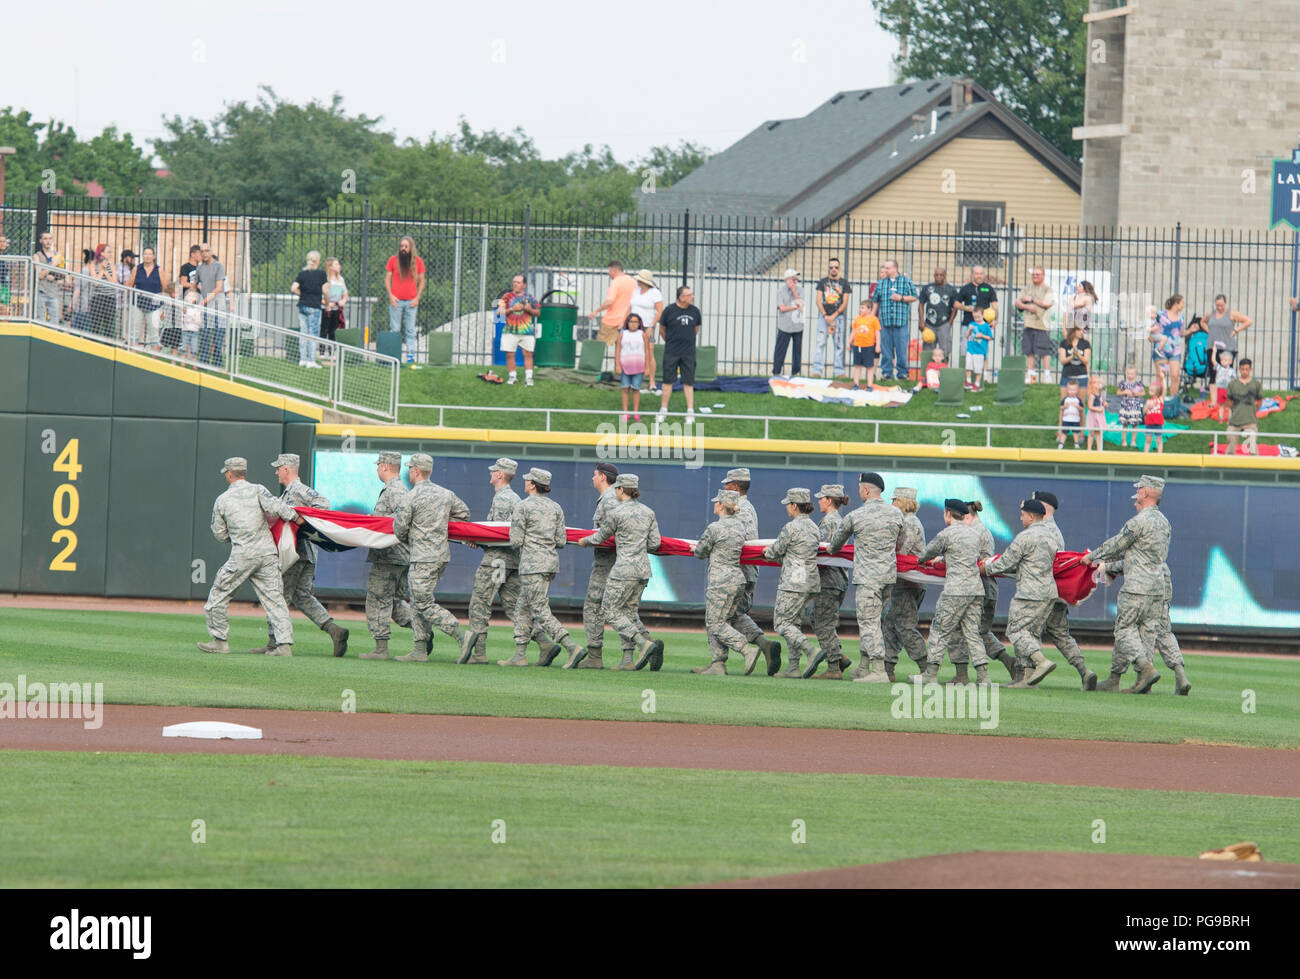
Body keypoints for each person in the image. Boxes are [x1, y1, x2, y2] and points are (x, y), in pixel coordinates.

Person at [246, 453, 350, 658]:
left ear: (286, 469)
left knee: (278, 596)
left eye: (278, 468)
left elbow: (324, 505)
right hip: (306, 553)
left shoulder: (299, 490)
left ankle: (274, 643)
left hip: (296, 553)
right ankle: (333, 630)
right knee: (302, 596)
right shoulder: (288, 493)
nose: (276, 471)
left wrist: (303, 519)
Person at [196, 457, 302, 656]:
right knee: (275, 599)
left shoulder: (223, 500)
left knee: (218, 596)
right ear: (244, 472)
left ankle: (220, 641)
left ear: (229, 474)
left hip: (243, 554)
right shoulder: (258, 489)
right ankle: (284, 645)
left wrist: (234, 537)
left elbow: (219, 534)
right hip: (267, 553)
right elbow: (278, 508)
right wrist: (296, 518)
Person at [461, 457, 558, 666]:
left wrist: (476, 539)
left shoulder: (504, 499)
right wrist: (478, 541)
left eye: (493, 471)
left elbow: (502, 535)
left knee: (480, 603)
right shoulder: (514, 498)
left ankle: (479, 653)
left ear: (499, 474)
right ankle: (544, 642)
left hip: (497, 560)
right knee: (515, 606)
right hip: (513, 562)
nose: (490, 474)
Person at [1081, 475, 1172, 693]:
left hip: (1137, 586)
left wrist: (1091, 556)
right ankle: (1142, 682)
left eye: (1140, 489)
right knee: (1147, 634)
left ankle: (1145, 668)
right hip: (1157, 587)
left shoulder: (1139, 522)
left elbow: (1116, 544)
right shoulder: (1165, 522)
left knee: (1124, 629)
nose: (1137, 492)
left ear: (1145, 493)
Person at [576, 473, 664, 671]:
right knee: (629, 613)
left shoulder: (617, 513)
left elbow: (600, 537)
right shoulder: (648, 512)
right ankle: (627, 660)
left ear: (621, 490)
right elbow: (655, 543)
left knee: (609, 610)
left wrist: (584, 541)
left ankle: (644, 644)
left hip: (623, 569)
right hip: (643, 570)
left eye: (616, 488)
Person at [828, 471, 904, 683]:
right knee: (874, 622)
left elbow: (835, 546)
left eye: (861, 488)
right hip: (888, 576)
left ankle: (878, 670)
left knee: (868, 623)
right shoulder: (896, 515)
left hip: (868, 578)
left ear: (867, 490)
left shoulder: (856, 516)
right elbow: (900, 544)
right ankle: (864, 666)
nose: (859, 491)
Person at [396, 453, 474, 662]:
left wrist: (413, 537)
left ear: (415, 471)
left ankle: (461, 635)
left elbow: (399, 529)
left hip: (422, 556)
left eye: (410, 469)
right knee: (418, 600)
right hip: (440, 555)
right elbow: (464, 513)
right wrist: (441, 524)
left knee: (422, 603)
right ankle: (419, 649)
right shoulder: (445, 494)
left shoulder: (410, 496)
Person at [503, 468, 583, 667]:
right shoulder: (556, 507)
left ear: (532, 484)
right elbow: (561, 540)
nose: (525, 483)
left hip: (531, 565)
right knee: (522, 608)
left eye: (527, 480)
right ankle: (519, 655)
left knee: (539, 610)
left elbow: (515, 540)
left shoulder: (522, 506)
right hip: (550, 564)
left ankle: (571, 646)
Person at [979, 499, 1059, 688]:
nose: (1020, 518)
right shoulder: (1051, 536)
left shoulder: (1026, 537)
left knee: (1015, 631)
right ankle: (1028, 679)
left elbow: (1007, 561)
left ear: (1031, 516)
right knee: (1032, 633)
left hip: (1029, 592)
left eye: (1022, 514)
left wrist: (986, 569)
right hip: (1048, 591)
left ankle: (1041, 661)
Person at [917, 500, 990, 684]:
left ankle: (930, 674)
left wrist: (923, 560)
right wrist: (942, 559)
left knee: (940, 629)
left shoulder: (947, 534)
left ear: (948, 513)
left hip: (956, 590)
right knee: (972, 633)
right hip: (975, 590)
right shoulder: (974, 534)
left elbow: (926, 554)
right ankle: (983, 676)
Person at [691, 489, 763, 675]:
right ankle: (718, 664)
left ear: (721, 505)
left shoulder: (715, 528)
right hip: (737, 579)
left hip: (720, 581)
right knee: (720, 621)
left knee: (716, 624)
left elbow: (700, 552)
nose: (715, 504)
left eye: (717, 502)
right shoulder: (740, 526)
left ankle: (747, 650)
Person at [720, 468, 779, 670]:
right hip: (747, 570)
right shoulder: (748, 507)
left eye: (727, 484)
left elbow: (742, 540)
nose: (724, 487)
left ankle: (719, 662)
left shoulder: (739, 509)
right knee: (735, 615)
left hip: (738, 571)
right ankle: (764, 644)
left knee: (720, 616)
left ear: (735, 487)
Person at [360, 451, 415, 660]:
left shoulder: (395, 490)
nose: (377, 469)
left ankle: (381, 648)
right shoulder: (395, 489)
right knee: (392, 602)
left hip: (391, 556)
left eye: (378, 466)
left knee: (377, 599)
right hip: (396, 556)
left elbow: (403, 517)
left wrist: (375, 522)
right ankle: (423, 629)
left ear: (384, 466)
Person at [573, 462, 628, 670]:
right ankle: (636, 650)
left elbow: (614, 531)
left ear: (603, 477)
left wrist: (589, 540)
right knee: (619, 608)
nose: (592, 478)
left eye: (595, 475)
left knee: (595, 607)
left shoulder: (610, 499)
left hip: (609, 563)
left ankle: (596, 656)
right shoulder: (612, 497)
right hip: (613, 561)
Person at [762, 488, 821, 678]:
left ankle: (811, 650)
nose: (787, 508)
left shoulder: (791, 527)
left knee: (781, 623)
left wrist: (766, 551)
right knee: (793, 624)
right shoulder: (814, 527)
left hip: (793, 581)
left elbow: (774, 552)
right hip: (810, 580)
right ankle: (793, 667)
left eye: (788, 504)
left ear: (795, 505)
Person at [956, 500, 1017, 681]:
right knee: (980, 631)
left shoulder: (972, 532)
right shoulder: (985, 531)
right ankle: (1007, 661)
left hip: (976, 588)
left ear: (967, 516)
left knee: (962, 629)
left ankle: (963, 675)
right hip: (989, 588)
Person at [802, 484, 852, 679]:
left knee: (822, 623)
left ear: (829, 500)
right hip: (838, 579)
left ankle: (833, 667)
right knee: (818, 618)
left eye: (822, 498)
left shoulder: (828, 522)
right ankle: (839, 657)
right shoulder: (840, 520)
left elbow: (819, 548)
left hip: (829, 580)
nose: (819, 501)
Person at [880, 486, 927, 681]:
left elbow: (902, 552)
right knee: (890, 624)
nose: (892, 504)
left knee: (904, 626)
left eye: (894, 500)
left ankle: (927, 668)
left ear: (903, 502)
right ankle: (888, 668)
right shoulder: (908, 521)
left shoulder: (909, 523)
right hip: (906, 582)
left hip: (909, 583)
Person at [655, 285, 702, 424]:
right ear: (681, 297)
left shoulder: (695, 311)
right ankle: (663, 409)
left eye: (692, 294)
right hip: (672, 351)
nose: (692, 297)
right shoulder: (669, 311)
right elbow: (662, 330)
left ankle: (690, 411)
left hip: (689, 352)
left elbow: (696, 329)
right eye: (689, 295)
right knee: (668, 380)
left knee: (688, 381)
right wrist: (671, 341)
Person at [870, 259, 917, 381]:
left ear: (895, 268)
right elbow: (875, 300)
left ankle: (902, 373)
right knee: (886, 349)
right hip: (885, 321)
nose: (885, 270)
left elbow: (914, 297)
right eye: (885, 268)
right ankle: (887, 373)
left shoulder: (906, 282)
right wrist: (871, 317)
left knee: (901, 349)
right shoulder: (881, 284)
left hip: (900, 321)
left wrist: (901, 298)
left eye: (888, 268)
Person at [385, 236, 425, 366]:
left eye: (406, 246)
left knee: (410, 331)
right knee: (395, 330)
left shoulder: (418, 261)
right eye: (401, 246)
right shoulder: (393, 260)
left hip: (411, 302)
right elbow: (387, 279)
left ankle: (410, 357)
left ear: (411, 248)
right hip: (396, 301)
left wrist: (417, 297)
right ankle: (394, 357)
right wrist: (390, 295)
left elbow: (422, 281)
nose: (403, 248)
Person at [955, 266, 998, 379]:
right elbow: (956, 304)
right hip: (968, 325)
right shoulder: (965, 288)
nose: (979, 276)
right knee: (966, 349)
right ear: (972, 275)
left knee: (983, 350)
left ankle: (983, 375)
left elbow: (995, 306)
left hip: (983, 326)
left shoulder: (988, 288)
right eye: (977, 273)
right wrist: (966, 308)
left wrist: (995, 319)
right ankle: (967, 376)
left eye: (981, 273)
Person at [1015, 266, 1055, 383]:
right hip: (1028, 323)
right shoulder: (1027, 288)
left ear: (1043, 276)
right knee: (1029, 351)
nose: (1035, 276)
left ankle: (1047, 375)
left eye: (1038, 274)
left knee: (1044, 351)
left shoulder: (1047, 289)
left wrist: (1032, 299)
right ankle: (1031, 374)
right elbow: (1018, 302)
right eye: (1033, 274)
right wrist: (1028, 307)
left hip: (1042, 324)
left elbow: (1047, 304)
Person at [498, 273, 539, 386]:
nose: (515, 284)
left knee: (528, 354)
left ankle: (529, 379)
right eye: (514, 282)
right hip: (509, 331)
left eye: (518, 282)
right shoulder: (506, 297)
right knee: (509, 354)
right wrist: (512, 309)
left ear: (524, 285)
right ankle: (512, 377)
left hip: (527, 332)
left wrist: (529, 309)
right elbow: (500, 313)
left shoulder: (530, 298)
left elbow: (538, 313)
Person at [813, 257, 851, 378]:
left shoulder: (844, 283)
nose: (833, 269)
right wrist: (825, 315)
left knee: (839, 345)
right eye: (831, 267)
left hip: (838, 317)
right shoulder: (822, 282)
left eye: (836, 267)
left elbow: (845, 302)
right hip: (823, 317)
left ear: (839, 268)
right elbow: (818, 301)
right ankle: (817, 371)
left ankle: (839, 371)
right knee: (820, 343)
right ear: (828, 268)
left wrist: (834, 316)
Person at [291, 251, 327, 368]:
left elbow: (293, 288)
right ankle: (311, 360)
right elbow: (325, 290)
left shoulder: (302, 274)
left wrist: (302, 295)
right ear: (317, 261)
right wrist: (326, 300)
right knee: (313, 333)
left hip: (302, 305)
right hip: (314, 306)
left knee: (303, 332)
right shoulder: (321, 274)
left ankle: (303, 359)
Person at [588, 260, 636, 346]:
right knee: (621, 348)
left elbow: (609, 302)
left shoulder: (616, 282)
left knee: (600, 346)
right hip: (628, 320)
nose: (609, 274)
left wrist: (596, 311)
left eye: (609, 271)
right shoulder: (633, 282)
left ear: (614, 271)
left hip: (612, 321)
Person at [125, 246, 165, 349]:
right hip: (138, 304)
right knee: (135, 332)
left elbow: (164, 289)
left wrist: (164, 309)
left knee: (154, 334)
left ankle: (154, 359)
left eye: (149, 254)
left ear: (154, 256)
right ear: (142, 256)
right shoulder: (137, 268)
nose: (147, 256)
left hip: (154, 306)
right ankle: (132, 355)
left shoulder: (159, 270)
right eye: (145, 254)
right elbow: (130, 285)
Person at [629, 270, 662, 392]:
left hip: (647, 325)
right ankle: (637, 381)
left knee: (649, 352)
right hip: (632, 326)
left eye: (639, 280)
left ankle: (652, 382)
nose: (637, 281)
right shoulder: (635, 291)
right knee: (634, 353)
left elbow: (659, 311)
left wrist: (651, 326)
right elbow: (630, 307)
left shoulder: (655, 293)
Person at [1204, 294, 1251, 380]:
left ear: (1225, 304)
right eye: (1217, 305)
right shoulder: (1211, 314)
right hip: (1213, 347)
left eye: (1221, 305)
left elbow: (1248, 321)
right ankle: (1214, 393)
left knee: (1226, 374)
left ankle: (1226, 393)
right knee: (1213, 374)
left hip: (1227, 347)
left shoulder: (1231, 313)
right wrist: (1209, 331)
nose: (1219, 308)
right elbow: (1202, 322)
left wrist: (1236, 330)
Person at [195, 243, 227, 367]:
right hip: (205, 308)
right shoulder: (200, 268)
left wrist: (204, 300)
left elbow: (219, 288)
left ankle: (217, 365)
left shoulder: (219, 266)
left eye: (206, 251)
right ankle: (203, 363)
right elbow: (196, 283)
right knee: (204, 336)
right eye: (202, 251)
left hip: (218, 306)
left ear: (211, 251)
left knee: (218, 337)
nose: (204, 253)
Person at [917, 267, 958, 364]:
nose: (938, 277)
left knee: (945, 351)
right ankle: (927, 374)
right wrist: (922, 321)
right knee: (928, 351)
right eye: (936, 275)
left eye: (941, 275)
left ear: (945, 276)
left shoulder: (951, 290)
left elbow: (955, 307)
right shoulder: (927, 288)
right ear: (934, 276)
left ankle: (943, 373)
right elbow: (921, 304)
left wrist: (950, 322)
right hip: (929, 324)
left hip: (944, 324)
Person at [1225, 358, 1263, 455]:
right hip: (1234, 421)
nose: (1244, 371)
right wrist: (1233, 411)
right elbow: (1229, 401)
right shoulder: (1232, 384)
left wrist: (1254, 411)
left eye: (1246, 369)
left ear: (1250, 369)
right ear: (1239, 369)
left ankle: (1255, 467)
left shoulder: (1256, 384)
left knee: (1253, 448)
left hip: (1250, 421)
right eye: (1242, 369)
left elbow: (1259, 401)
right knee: (1230, 447)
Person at [617, 312, 649, 421]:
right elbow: (618, 350)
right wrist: (617, 365)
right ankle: (625, 412)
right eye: (631, 321)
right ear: (627, 323)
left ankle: (636, 412)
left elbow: (647, 351)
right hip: (625, 365)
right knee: (625, 388)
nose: (633, 324)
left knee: (636, 389)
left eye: (636, 322)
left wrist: (647, 367)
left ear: (639, 323)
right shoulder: (622, 334)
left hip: (639, 366)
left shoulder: (642, 334)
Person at [773, 268, 805, 377]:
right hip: (784, 325)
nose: (796, 281)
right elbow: (781, 308)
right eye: (793, 279)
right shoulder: (780, 291)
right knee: (780, 350)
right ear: (787, 280)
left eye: (796, 279)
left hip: (798, 325)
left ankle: (795, 372)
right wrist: (793, 307)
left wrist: (794, 291)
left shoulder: (800, 290)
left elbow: (800, 305)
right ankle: (776, 372)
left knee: (797, 351)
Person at [1150, 294, 1185, 393]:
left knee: (1175, 376)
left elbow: (1181, 333)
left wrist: (1191, 330)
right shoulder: (1161, 315)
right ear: (1176, 303)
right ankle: (1160, 401)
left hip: (1175, 351)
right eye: (1182, 303)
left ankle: (1173, 401)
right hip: (1162, 350)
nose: (1183, 305)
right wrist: (1151, 337)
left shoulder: (1181, 318)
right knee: (1161, 375)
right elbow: (1151, 327)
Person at [32, 231, 67, 324]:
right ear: (41, 240)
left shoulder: (57, 255)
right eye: (45, 239)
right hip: (41, 291)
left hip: (54, 292)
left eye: (50, 238)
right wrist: (53, 264)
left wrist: (54, 277)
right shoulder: (37, 255)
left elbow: (62, 275)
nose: (48, 241)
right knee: (41, 319)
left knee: (55, 319)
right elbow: (39, 275)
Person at [849, 300, 880, 389]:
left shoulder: (874, 320)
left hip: (869, 347)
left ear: (869, 309)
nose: (860, 310)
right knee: (857, 366)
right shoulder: (857, 319)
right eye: (860, 308)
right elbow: (854, 331)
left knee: (869, 367)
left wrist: (878, 345)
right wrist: (849, 342)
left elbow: (877, 332)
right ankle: (856, 384)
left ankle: (869, 385)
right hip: (858, 346)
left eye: (863, 308)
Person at [963, 305, 993, 391]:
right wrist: (969, 330)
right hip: (970, 349)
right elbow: (966, 336)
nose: (976, 319)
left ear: (983, 315)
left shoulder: (986, 326)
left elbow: (990, 337)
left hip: (980, 351)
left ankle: (977, 384)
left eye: (978, 317)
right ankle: (968, 381)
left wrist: (982, 335)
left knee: (978, 369)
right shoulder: (971, 324)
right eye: (975, 317)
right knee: (968, 365)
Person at [322, 257, 348, 346]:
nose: (339, 266)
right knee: (324, 330)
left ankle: (331, 351)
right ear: (330, 267)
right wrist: (327, 303)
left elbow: (345, 293)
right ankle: (321, 351)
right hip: (327, 309)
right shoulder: (325, 279)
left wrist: (343, 301)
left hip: (337, 308)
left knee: (333, 331)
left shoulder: (340, 279)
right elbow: (321, 295)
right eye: (336, 264)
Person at [1058, 325, 1091, 394]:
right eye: (1079, 330)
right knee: (1064, 401)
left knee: (1080, 403)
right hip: (1067, 375)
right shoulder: (1064, 343)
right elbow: (1062, 361)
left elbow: (1086, 361)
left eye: (1083, 330)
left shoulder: (1086, 344)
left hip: (1081, 376)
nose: (1081, 332)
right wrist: (1072, 356)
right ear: (1073, 331)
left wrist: (1078, 355)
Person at [1117, 365, 1144, 448]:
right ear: (1126, 373)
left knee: (1135, 424)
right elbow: (1118, 393)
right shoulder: (1123, 383)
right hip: (1125, 405)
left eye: (1132, 374)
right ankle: (1124, 440)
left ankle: (1133, 441)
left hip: (1135, 405)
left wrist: (1137, 394)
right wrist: (1125, 392)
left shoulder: (1138, 384)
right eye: (1128, 373)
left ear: (1135, 374)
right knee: (1125, 423)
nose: (1130, 375)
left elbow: (1143, 393)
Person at [1059, 379, 1085, 449]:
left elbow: (1082, 409)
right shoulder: (1065, 399)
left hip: (1075, 420)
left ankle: (1076, 443)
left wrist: (1078, 406)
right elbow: (1061, 408)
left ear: (1077, 390)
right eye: (1070, 390)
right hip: (1066, 419)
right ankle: (1061, 443)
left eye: (1073, 390)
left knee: (1075, 432)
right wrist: (1064, 406)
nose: (1072, 392)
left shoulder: (1078, 400)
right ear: (1067, 390)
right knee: (1064, 432)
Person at [1212, 349, 1236, 423]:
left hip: (1228, 389)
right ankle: (1221, 417)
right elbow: (1213, 361)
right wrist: (1214, 351)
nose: (1223, 362)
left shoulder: (1231, 371)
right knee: (1221, 405)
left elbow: (1235, 380)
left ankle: (1230, 418)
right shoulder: (1219, 368)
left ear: (1230, 362)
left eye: (1225, 360)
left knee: (1229, 406)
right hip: (1220, 389)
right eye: (1222, 360)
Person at [1084, 375, 1107, 451]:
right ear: (1092, 385)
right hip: (1093, 415)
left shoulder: (1100, 395)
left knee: (1098, 433)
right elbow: (1090, 407)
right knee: (1092, 432)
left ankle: (1099, 448)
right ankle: (1089, 448)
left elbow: (1102, 403)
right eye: (1095, 383)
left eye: (1099, 383)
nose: (1098, 384)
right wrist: (1097, 409)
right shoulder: (1092, 396)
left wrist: (1104, 404)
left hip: (1099, 415)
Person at [1143, 379, 1165, 453]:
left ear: (1157, 392)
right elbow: (1144, 411)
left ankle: (1160, 454)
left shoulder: (1160, 399)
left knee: (1159, 440)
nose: (1149, 392)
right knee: (1148, 440)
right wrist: (1147, 407)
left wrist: (1163, 378)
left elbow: (1164, 390)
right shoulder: (1148, 400)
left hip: (1158, 423)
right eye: (1149, 390)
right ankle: (1145, 454)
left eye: (1152, 390)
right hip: (1149, 423)